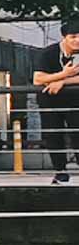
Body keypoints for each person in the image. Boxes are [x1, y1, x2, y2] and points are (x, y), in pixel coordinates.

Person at [32, 20, 79, 184]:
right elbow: (38, 79)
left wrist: (63, 81)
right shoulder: (49, 53)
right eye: (73, 36)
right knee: (53, 134)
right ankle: (60, 171)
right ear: (64, 37)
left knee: (77, 133)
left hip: (75, 100)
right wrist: (63, 74)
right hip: (49, 100)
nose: (77, 40)